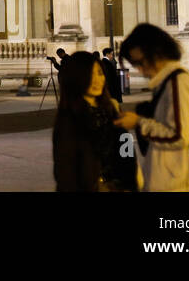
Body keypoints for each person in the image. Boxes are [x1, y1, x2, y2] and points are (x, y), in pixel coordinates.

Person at [113, 23, 189, 192]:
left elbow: (178, 135)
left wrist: (139, 123)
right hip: (174, 180)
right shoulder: (168, 82)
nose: (140, 70)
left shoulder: (176, 82)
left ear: (157, 53)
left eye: (140, 62)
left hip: (178, 182)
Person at [52, 51, 138, 191]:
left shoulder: (112, 109)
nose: (97, 80)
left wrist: (130, 182)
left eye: (99, 73)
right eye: (90, 75)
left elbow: (127, 148)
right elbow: (65, 172)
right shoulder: (69, 119)